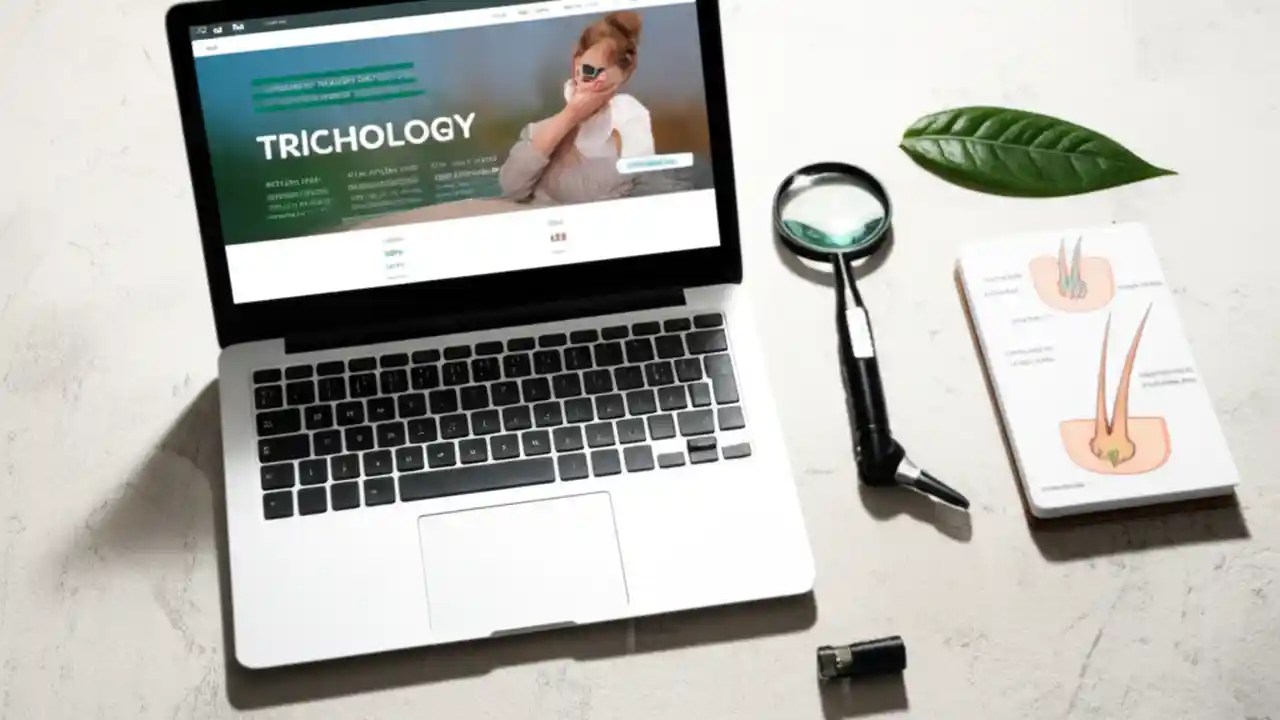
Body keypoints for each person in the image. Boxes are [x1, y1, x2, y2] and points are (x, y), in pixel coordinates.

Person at [499, 11, 654, 205]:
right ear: (576, 63)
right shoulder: (540, 131)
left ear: (623, 78)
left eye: (603, 81)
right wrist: (571, 115)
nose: (592, 85)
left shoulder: (630, 123)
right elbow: (511, 187)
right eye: (588, 71)